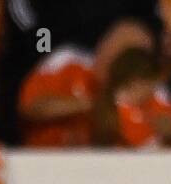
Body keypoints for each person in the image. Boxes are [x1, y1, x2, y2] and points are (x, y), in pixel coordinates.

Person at [16, 19, 156, 147]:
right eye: (111, 46)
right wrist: (93, 105)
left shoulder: (148, 88)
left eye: (125, 57)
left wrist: (134, 117)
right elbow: (29, 106)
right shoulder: (68, 60)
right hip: (42, 163)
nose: (112, 57)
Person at [94, 46, 171, 147]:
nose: (154, 90)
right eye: (152, 84)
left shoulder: (152, 100)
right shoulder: (112, 118)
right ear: (136, 83)